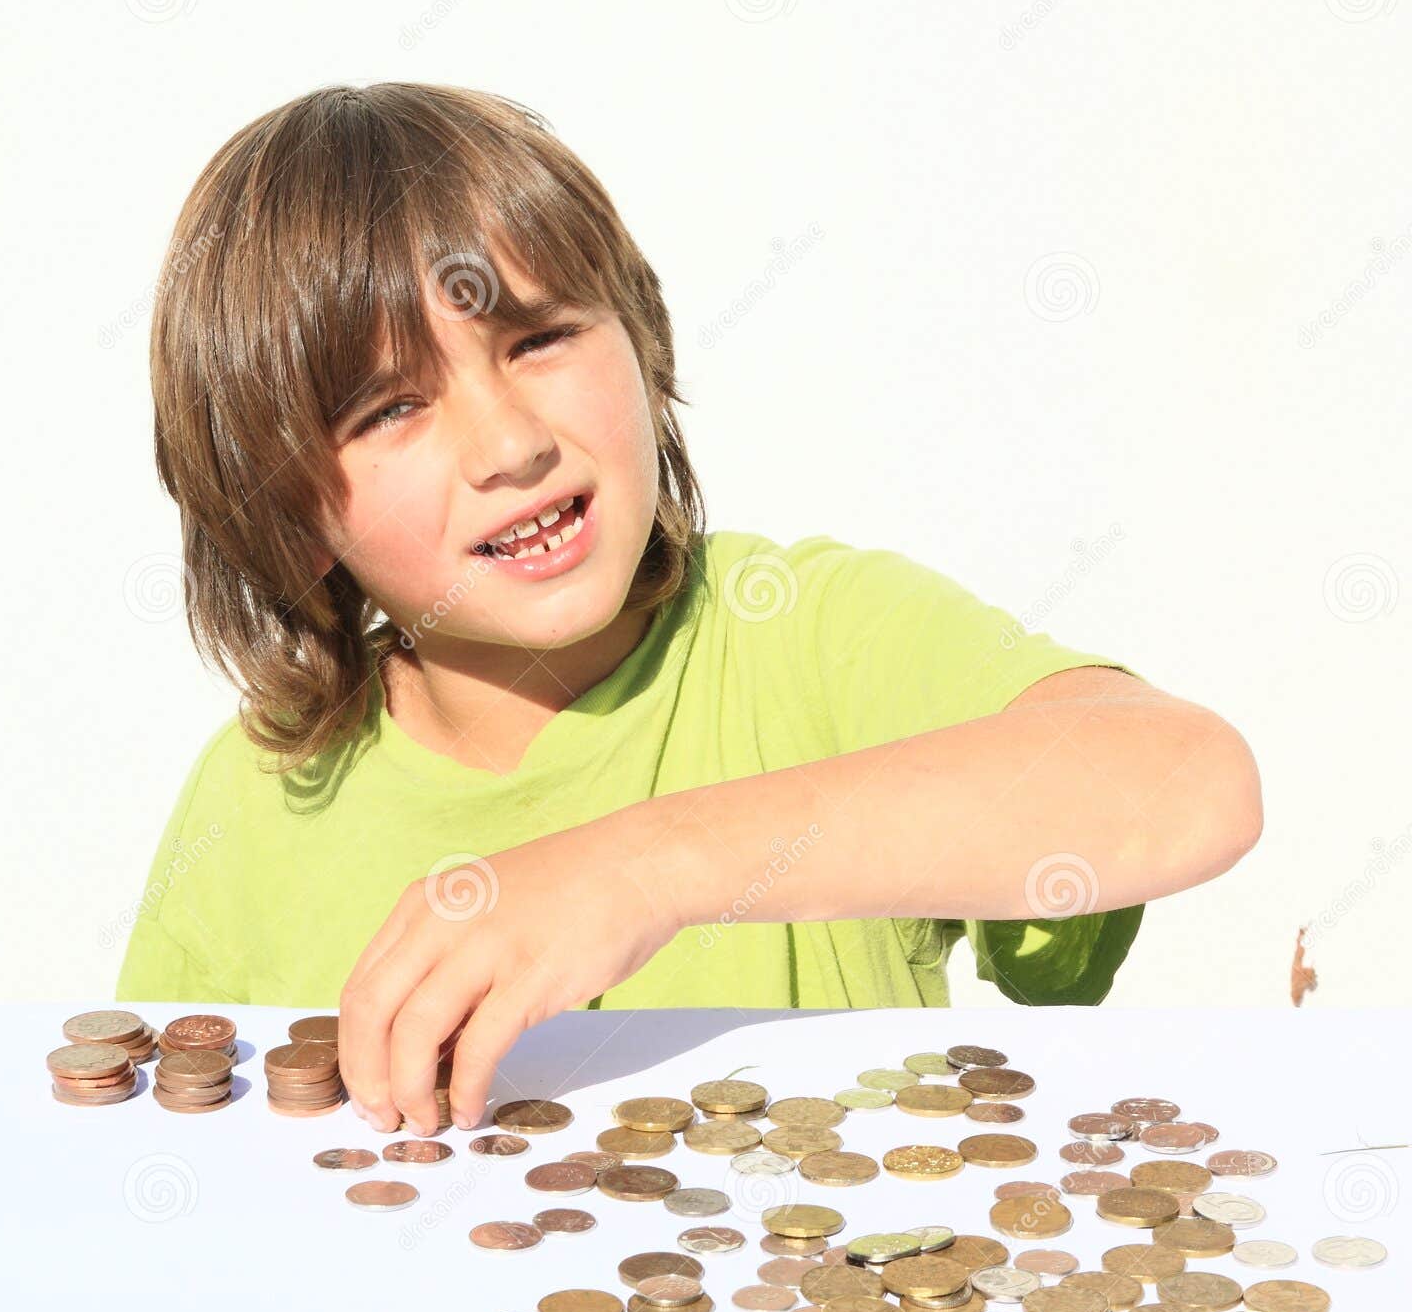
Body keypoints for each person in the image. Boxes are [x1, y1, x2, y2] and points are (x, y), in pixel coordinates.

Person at [116, 82, 1263, 1136]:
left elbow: (1190, 778)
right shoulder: (257, 800)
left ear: (644, 343)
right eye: (391, 409)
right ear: (288, 513)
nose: (510, 443)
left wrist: (647, 866)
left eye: (539, 340)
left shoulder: (805, 634)